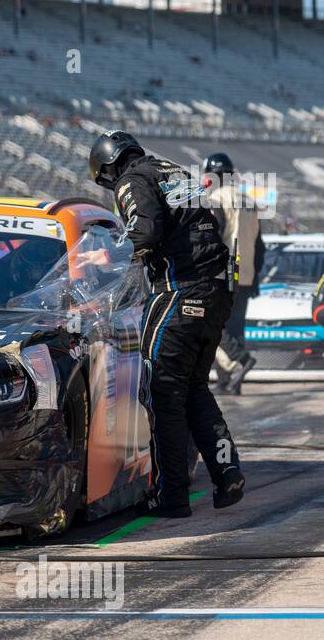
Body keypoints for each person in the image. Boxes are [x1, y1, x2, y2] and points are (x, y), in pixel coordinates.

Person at [87, 130, 244, 517]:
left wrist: (104, 259)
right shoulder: (174, 171)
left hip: (181, 291)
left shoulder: (132, 179)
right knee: (193, 388)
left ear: (109, 166)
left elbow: (145, 232)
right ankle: (227, 472)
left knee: (162, 392)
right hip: (217, 291)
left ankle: (170, 495)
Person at [201, 152, 265, 394]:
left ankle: (241, 359)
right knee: (235, 327)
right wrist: (255, 276)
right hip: (245, 275)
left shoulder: (216, 199)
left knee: (213, 325)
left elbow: (211, 239)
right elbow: (260, 245)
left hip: (224, 274)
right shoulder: (249, 201)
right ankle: (229, 381)